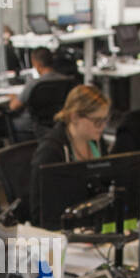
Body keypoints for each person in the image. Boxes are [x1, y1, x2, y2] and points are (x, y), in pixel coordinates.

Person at [27, 84, 108, 223]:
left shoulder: (97, 143)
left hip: (93, 220)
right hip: (65, 228)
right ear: (75, 117)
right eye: (97, 121)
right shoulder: (50, 153)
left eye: (105, 119)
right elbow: (40, 213)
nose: (103, 126)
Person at [7, 47, 69, 136]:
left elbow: (13, 106)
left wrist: (13, 97)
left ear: (36, 64)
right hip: (58, 123)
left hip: (34, 125)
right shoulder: (67, 81)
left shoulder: (34, 84)